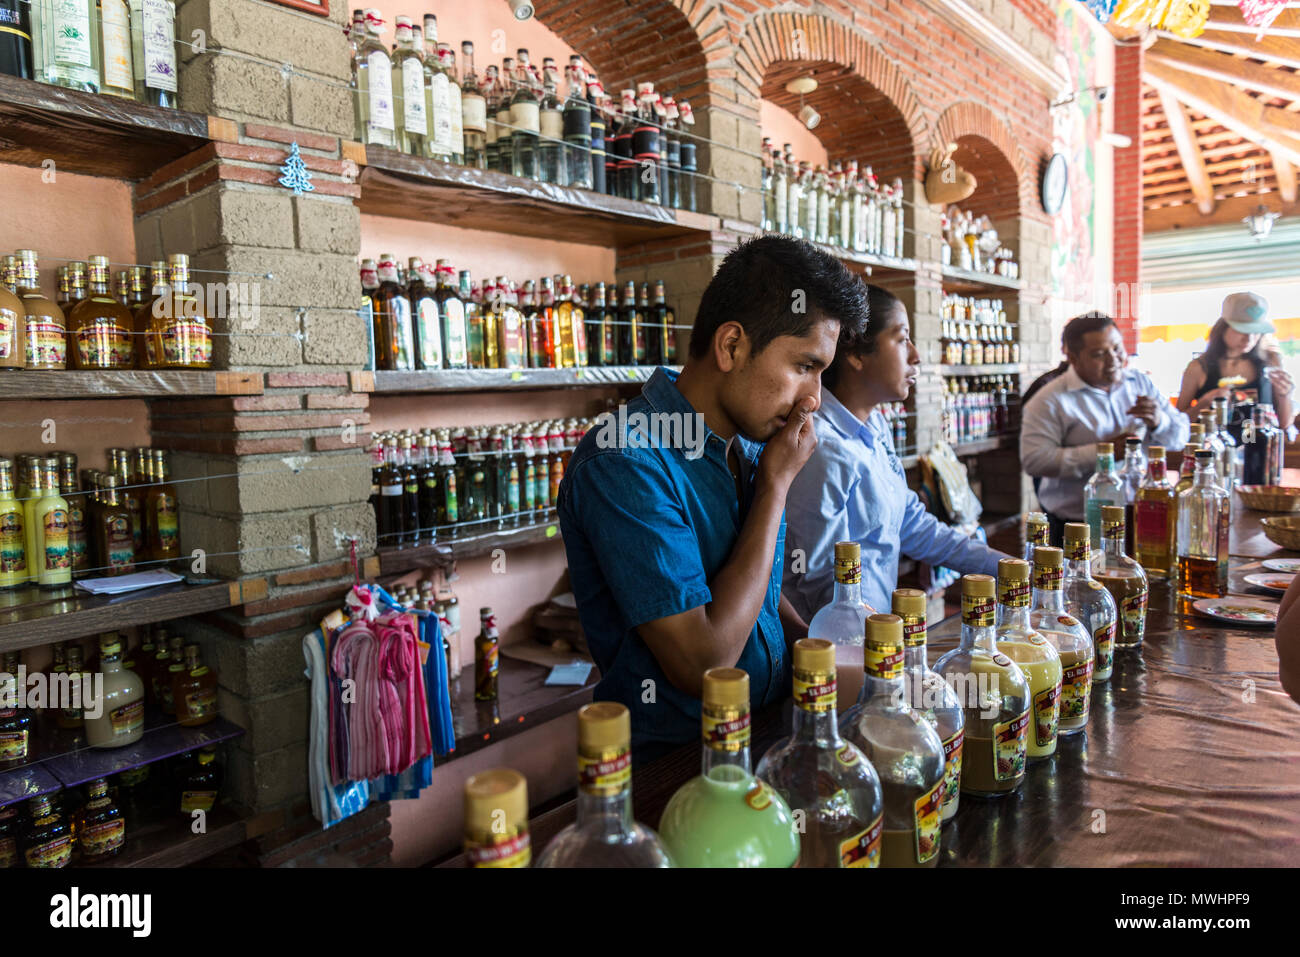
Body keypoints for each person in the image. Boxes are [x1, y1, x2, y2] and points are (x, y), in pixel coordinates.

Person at [557, 236, 868, 761]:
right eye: (804, 366)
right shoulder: (625, 459)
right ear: (731, 346)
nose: (813, 399)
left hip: (767, 733)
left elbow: (755, 591)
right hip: (678, 768)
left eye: (821, 373)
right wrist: (775, 487)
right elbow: (706, 664)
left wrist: (827, 650)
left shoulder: (743, 444)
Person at [783, 284, 1010, 621]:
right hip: (839, 646)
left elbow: (911, 523)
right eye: (902, 339)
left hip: (875, 635)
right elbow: (823, 585)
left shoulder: (875, 426)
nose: (916, 355)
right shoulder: (822, 449)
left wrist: (1003, 566)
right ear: (857, 354)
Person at [1021, 312, 1190, 544]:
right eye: (1099, 354)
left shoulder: (1139, 383)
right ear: (1072, 357)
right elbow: (1034, 460)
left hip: (1139, 514)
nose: (1114, 360)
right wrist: (1103, 453)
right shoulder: (1050, 400)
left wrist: (1160, 421)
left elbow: (1181, 436)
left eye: (1117, 348)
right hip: (1078, 525)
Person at [1175, 291, 1294, 434]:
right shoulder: (1198, 368)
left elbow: (1284, 423)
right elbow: (1178, 424)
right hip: (1215, 450)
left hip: (1258, 449)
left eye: (1256, 332)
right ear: (1223, 328)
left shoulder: (1270, 361)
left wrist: (1285, 395)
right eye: (1242, 330)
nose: (1249, 338)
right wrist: (1206, 401)